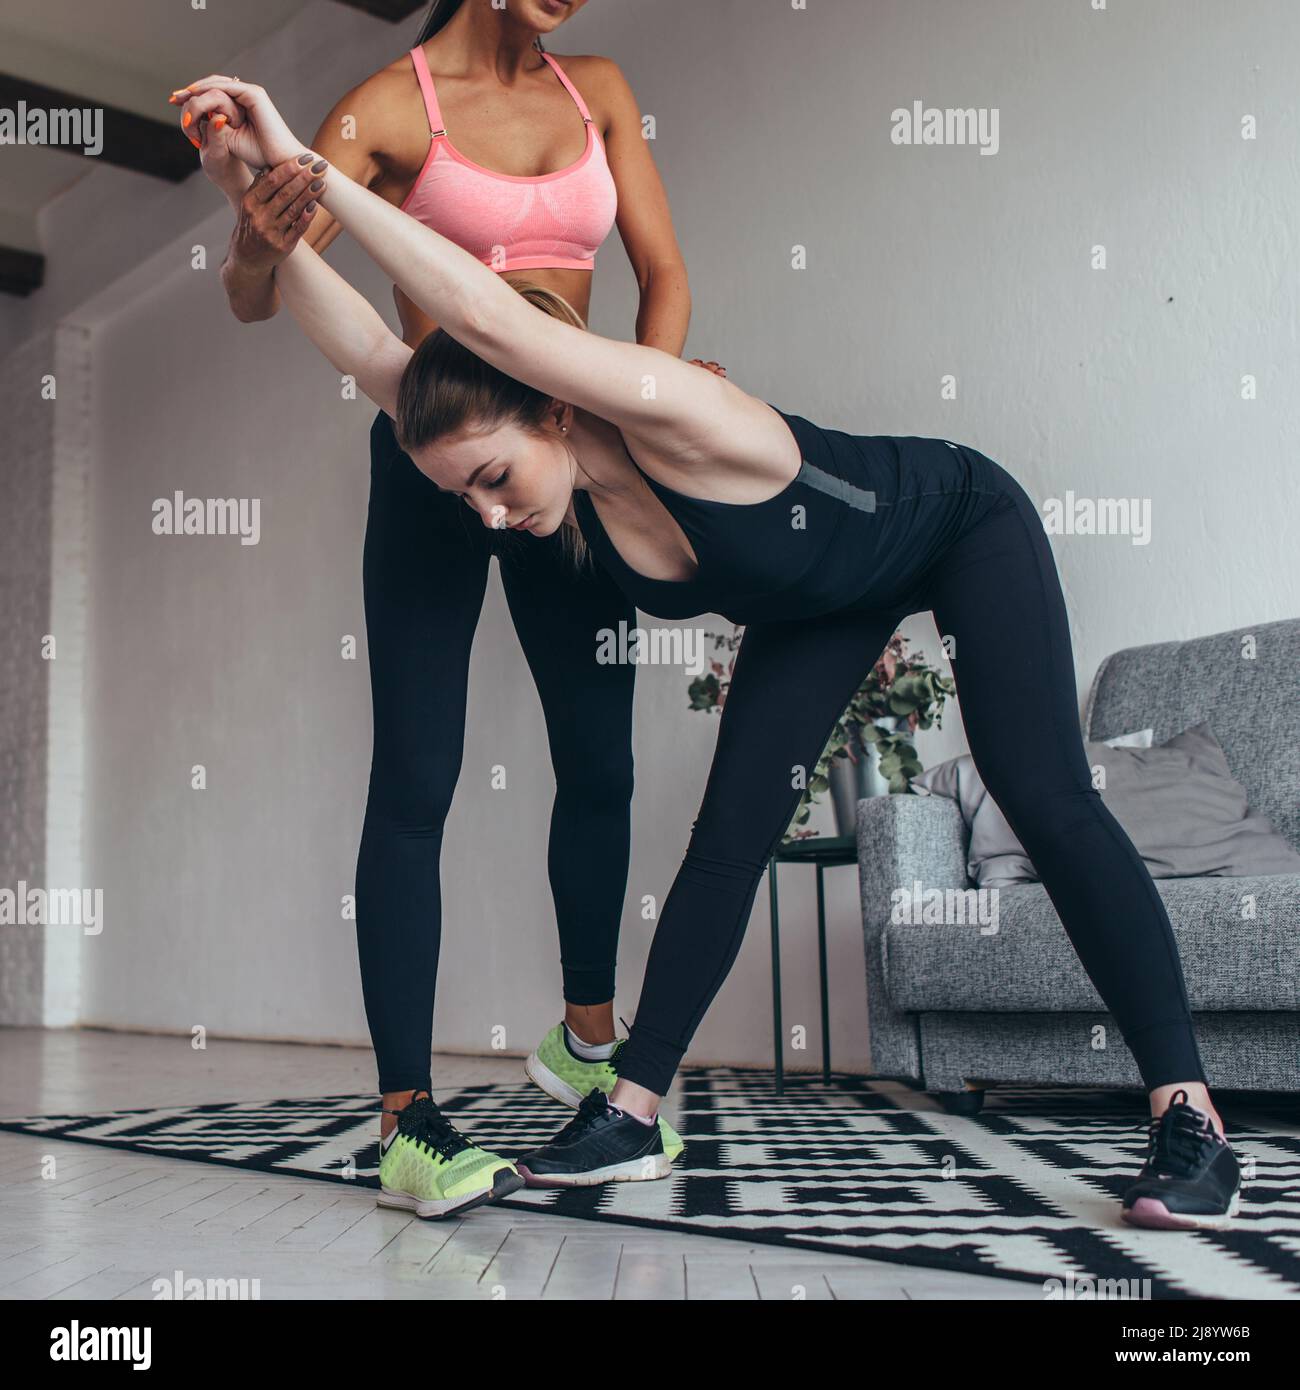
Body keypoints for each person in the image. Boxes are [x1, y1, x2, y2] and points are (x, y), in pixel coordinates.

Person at [171, 74, 1241, 1231]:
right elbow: (389, 357)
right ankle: (630, 1110)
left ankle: (1189, 1118)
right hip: (820, 601)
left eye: (493, 482)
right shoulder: (542, 467)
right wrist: (247, 188)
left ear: (557, 408)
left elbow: (485, 323)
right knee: (727, 840)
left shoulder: (671, 408)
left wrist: (313, 167)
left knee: (1044, 795)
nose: (486, 515)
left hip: (957, 525)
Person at [178, 0, 700, 1220]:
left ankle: (584, 1042)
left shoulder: (600, 90)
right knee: (417, 776)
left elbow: (664, 272)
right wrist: (255, 237)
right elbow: (258, 287)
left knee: (599, 760)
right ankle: (405, 1120)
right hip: (432, 451)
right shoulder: (385, 106)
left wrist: (641, 401)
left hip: (564, 443)